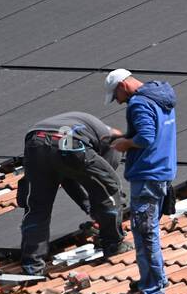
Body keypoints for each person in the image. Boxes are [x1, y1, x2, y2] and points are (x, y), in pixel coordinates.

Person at [105, 68, 177, 294]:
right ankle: (152, 279)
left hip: (147, 175)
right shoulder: (161, 97)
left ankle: (153, 292)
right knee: (150, 231)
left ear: (122, 86)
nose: (118, 101)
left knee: (144, 234)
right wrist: (124, 135)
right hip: (163, 171)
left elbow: (146, 137)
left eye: (116, 95)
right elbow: (154, 132)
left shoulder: (138, 103)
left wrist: (126, 144)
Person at [19, 111, 127, 276]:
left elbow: (69, 180)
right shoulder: (113, 144)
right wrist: (99, 212)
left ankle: (32, 268)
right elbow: (102, 187)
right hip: (68, 141)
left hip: (35, 142)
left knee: (37, 209)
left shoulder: (88, 126)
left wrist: (89, 208)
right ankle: (113, 244)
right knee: (110, 187)